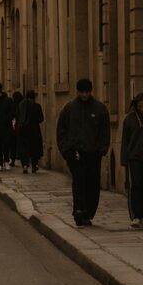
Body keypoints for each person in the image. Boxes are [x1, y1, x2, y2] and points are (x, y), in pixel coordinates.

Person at [57, 78, 110, 227]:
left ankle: (88, 212)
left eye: (87, 92)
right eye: (82, 92)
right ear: (78, 91)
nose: (85, 95)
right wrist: (66, 150)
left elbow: (104, 131)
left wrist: (102, 149)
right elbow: (61, 130)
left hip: (93, 153)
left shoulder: (99, 109)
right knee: (79, 181)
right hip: (75, 152)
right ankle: (79, 209)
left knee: (92, 183)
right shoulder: (69, 108)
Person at [120, 92, 143, 228]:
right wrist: (124, 159)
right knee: (136, 185)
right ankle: (137, 215)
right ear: (136, 105)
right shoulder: (130, 119)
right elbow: (125, 141)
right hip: (134, 157)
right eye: (140, 106)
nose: (142, 109)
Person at [16, 90, 44, 174]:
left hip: (24, 131)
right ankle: (34, 166)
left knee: (24, 148)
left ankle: (25, 165)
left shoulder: (21, 105)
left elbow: (17, 116)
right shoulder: (37, 106)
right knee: (34, 148)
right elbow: (41, 118)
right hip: (35, 130)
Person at [10, 91, 24, 166]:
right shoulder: (22, 105)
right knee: (20, 144)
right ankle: (22, 159)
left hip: (14, 128)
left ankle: (12, 160)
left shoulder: (13, 105)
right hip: (20, 128)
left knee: (13, 145)